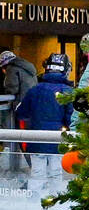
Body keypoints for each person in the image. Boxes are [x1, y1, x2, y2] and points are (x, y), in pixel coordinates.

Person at [14, 53, 73, 185]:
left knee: (37, 173)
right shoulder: (67, 91)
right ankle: (55, 201)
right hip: (58, 140)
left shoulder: (34, 90)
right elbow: (71, 119)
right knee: (56, 173)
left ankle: (35, 201)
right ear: (65, 70)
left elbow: (21, 113)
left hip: (37, 138)